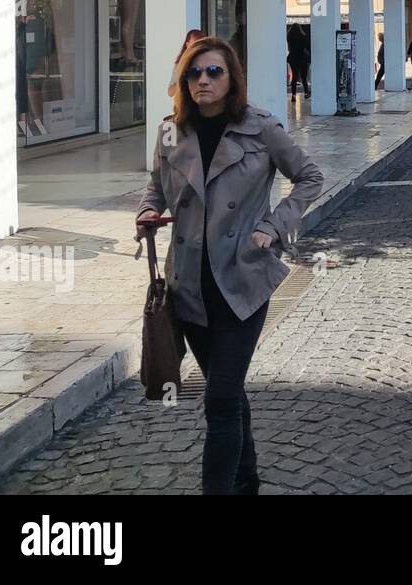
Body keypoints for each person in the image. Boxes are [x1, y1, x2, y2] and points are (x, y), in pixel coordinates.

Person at [136, 36, 322, 495]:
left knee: (218, 399)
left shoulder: (261, 127)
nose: (203, 80)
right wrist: (145, 212)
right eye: (194, 73)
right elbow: (155, 188)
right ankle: (247, 480)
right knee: (229, 392)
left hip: (242, 280)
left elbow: (310, 177)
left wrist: (275, 227)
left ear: (231, 78)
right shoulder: (170, 131)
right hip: (189, 286)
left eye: (213, 72)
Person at [169, 29, 206, 97]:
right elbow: (170, 92)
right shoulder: (180, 64)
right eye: (194, 44)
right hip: (186, 104)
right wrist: (184, 77)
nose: (196, 48)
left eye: (199, 45)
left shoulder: (209, 61)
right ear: (187, 45)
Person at [286, 24, 310, 102]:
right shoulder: (302, 36)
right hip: (302, 58)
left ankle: (293, 95)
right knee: (304, 77)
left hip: (293, 58)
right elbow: (307, 46)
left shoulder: (289, 37)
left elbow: (289, 47)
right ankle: (306, 93)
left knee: (294, 77)